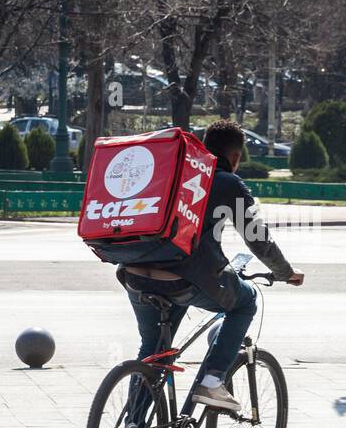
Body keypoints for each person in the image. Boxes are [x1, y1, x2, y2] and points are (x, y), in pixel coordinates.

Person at [120, 120, 304, 412]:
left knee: (153, 354)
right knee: (245, 302)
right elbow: (257, 238)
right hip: (183, 278)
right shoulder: (227, 182)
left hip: (134, 272)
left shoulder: (170, 173)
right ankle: (213, 379)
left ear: (204, 147)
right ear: (235, 157)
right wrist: (285, 272)